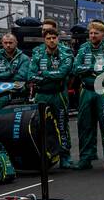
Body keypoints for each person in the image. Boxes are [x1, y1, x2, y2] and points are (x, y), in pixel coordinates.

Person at [70, 19, 104, 170]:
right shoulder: (83, 48)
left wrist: (89, 69)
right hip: (86, 90)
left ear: (103, 34)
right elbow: (75, 69)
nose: (92, 36)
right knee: (84, 125)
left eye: (95, 33)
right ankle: (85, 158)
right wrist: (93, 67)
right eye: (90, 33)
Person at [29, 25, 75, 169]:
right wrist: (50, 77)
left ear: (58, 39)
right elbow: (30, 76)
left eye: (54, 38)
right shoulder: (37, 55)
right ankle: (44, 156)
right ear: (44, 40)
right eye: (48, 38)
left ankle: (65, 156)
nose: (51, 41)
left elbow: (62, 74)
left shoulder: (66, 55)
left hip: (59, 95)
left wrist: (43, 74)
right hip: (41, 95)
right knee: (40, 126)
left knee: (62, 125)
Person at [0, 32, 31, 109]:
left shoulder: (25, 58)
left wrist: (1, 77)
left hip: (19, 95)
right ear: (2, 43)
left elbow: (22, 77)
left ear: (16, 43)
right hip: (0, 96)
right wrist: (10, 73)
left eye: (10, 42)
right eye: (5, 43)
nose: (8, 45)